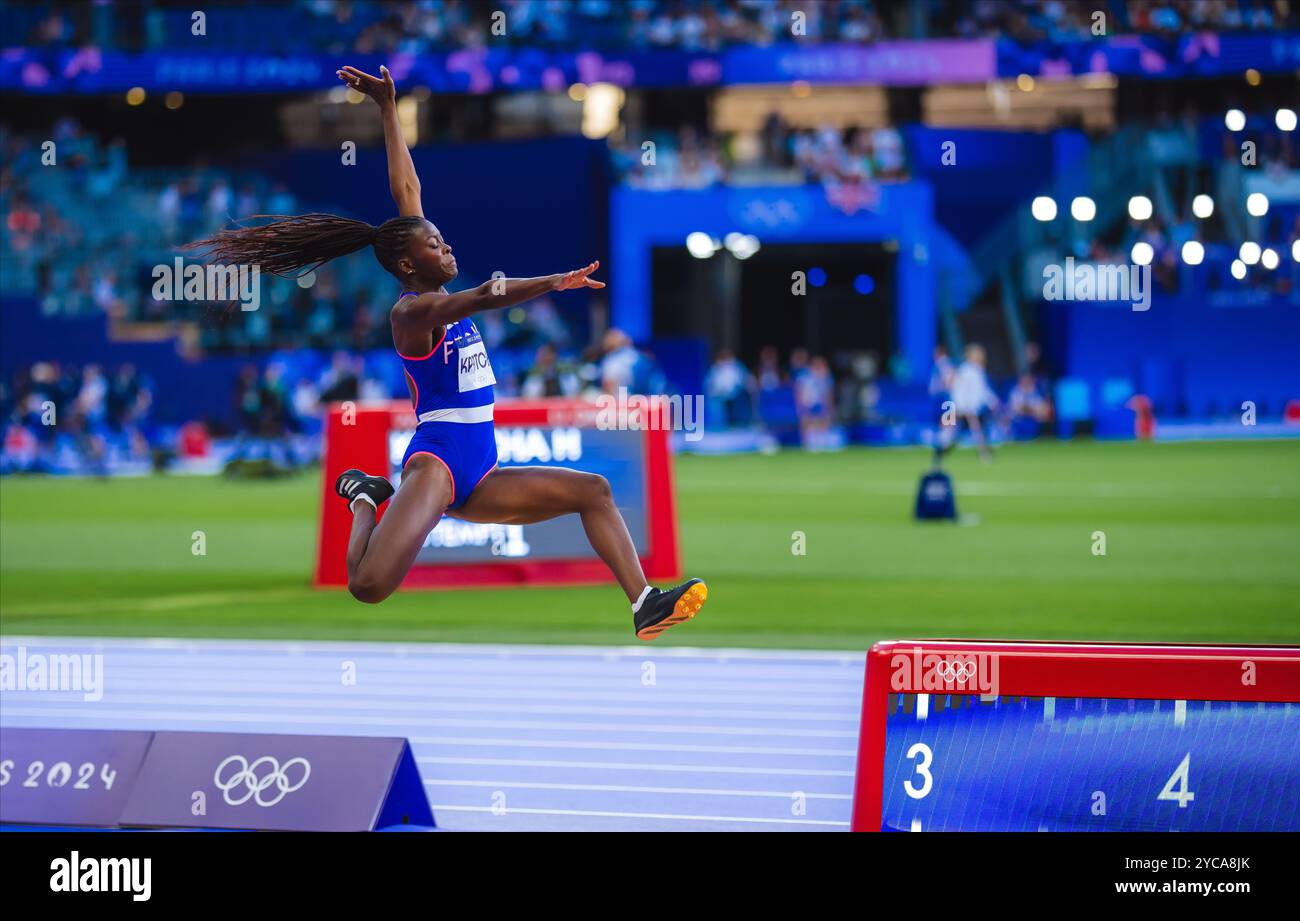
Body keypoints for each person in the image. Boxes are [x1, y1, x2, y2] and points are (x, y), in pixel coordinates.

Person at [187, 65, 706, 641]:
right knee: (369, 585)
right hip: (436, 464)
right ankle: (363, 493)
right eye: (434, 244)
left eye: (442, 236)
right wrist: (555, 281)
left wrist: (387, 108)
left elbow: (407, 194)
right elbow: (487, 294)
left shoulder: (429, 284)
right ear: (409, 265)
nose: (446, 243)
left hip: (481, 467)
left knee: (595, 491)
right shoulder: (413, 313)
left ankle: (644, 604)